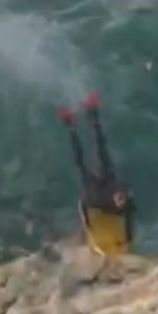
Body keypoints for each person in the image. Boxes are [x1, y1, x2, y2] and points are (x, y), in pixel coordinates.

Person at [58, 94, 134, 256]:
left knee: (80, 162)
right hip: (104, 184)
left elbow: (129, 222)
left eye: (122, 201)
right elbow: (83, 206)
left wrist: (127, 240)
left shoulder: (124, 206)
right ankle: (92, 112)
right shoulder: (111, 200)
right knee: (102, 150)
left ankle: (70, 125)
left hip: (95, 189)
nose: (121, 203)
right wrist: (88, 227)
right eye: (121, 200)